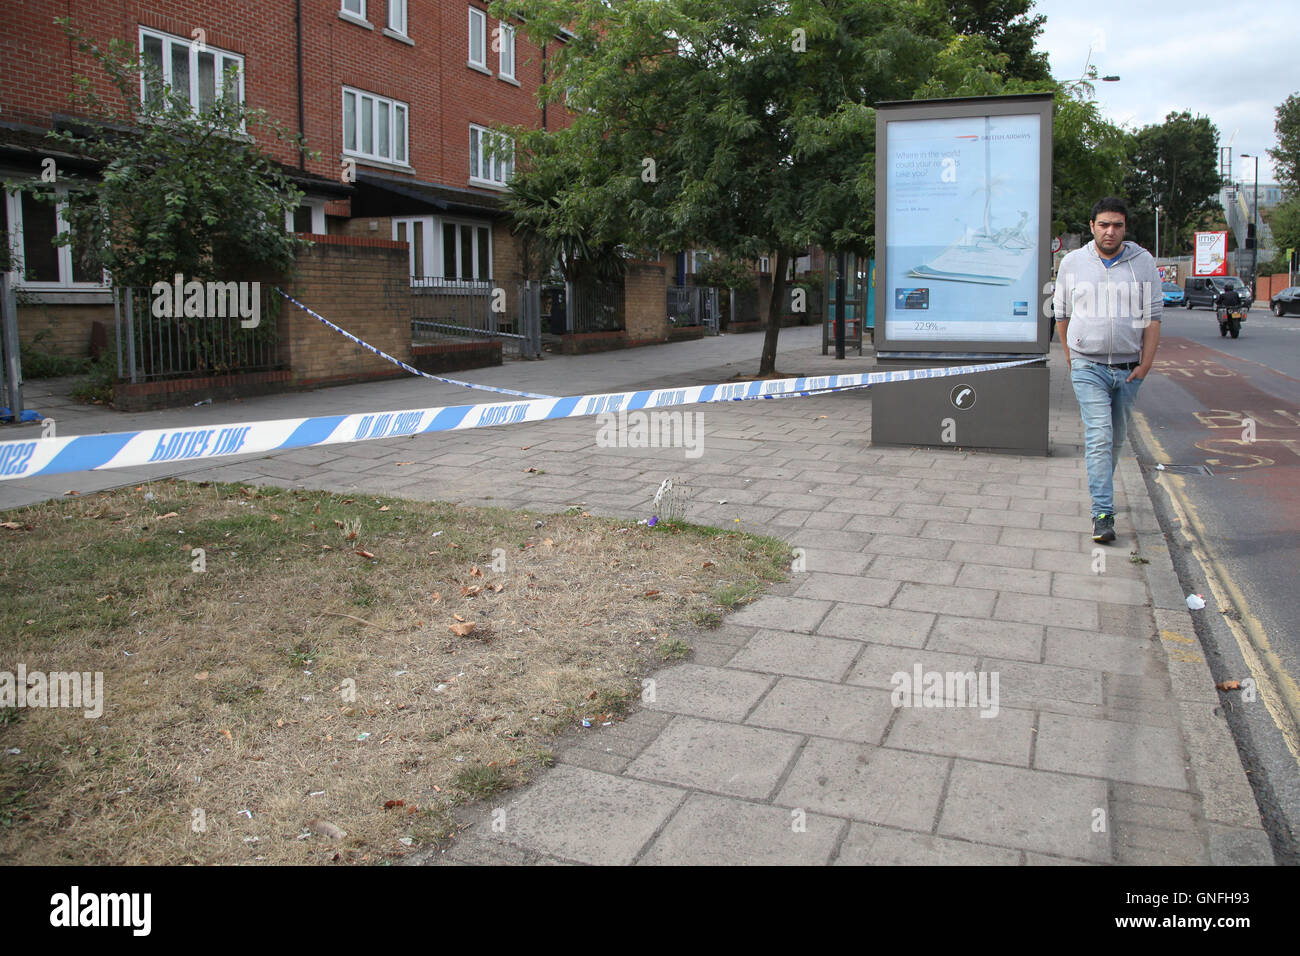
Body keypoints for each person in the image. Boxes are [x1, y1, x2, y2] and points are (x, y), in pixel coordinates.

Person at [1052, 197, 1162, 544]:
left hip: (1129, 370)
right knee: (1099, 437)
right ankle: (1102, 513)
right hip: (1089, 365)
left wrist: (1145, 364)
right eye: (1104, 225)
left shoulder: (1142, 262)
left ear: (1125, 228)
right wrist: (1072, 357)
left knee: (1114, 441)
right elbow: (1061, 314)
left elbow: (1153, 316)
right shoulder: (1073, 262)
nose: (1110, 231)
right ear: (1092, 227)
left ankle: (1102, 488)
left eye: (1117, 225)